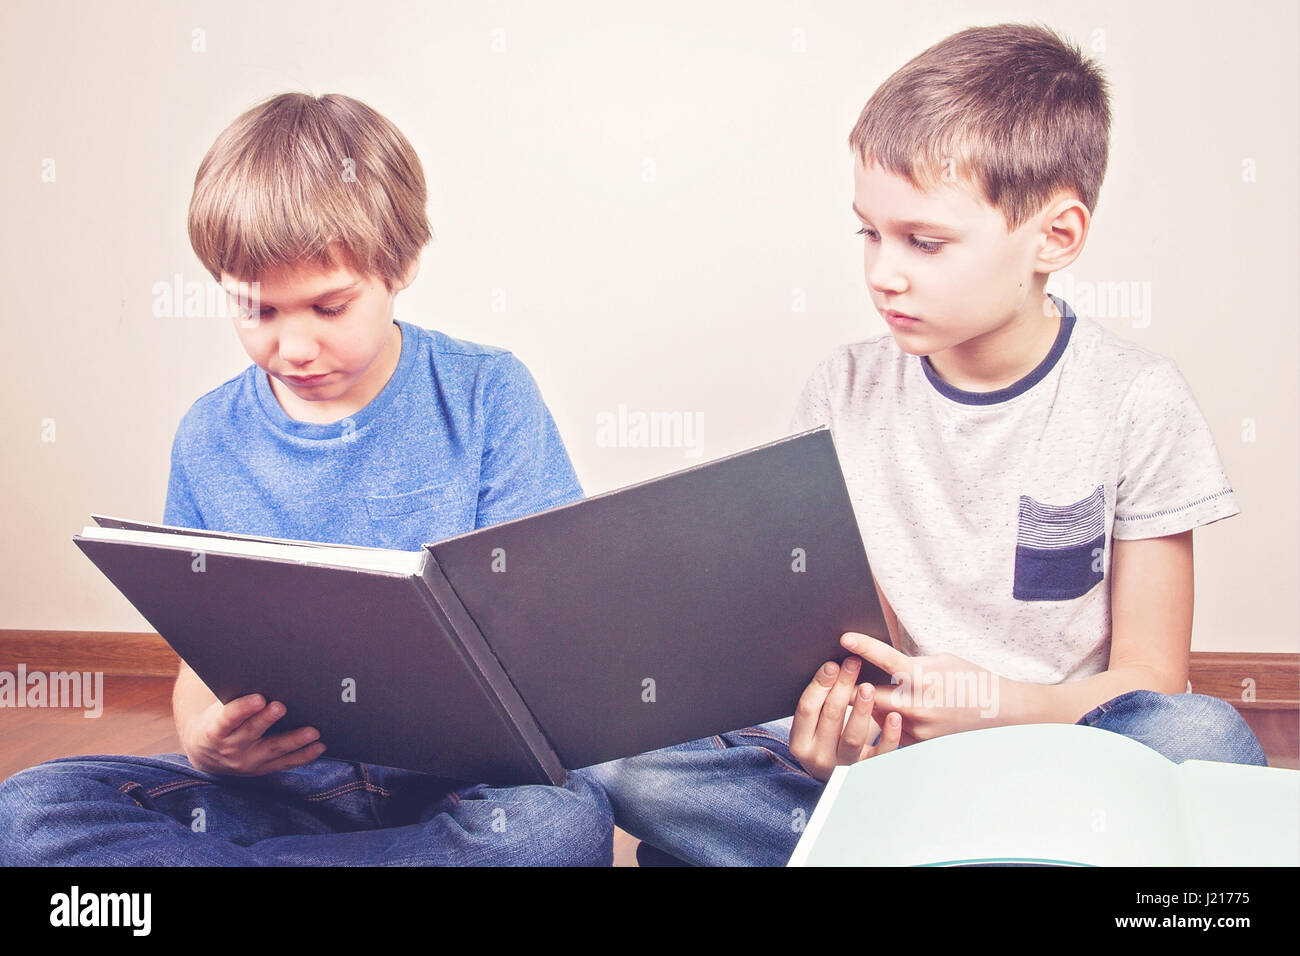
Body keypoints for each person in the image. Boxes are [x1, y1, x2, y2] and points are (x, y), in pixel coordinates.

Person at [586, 22, 1267, 867]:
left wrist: (997, 705)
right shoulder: (843, 389)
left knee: (1202, 738)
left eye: (925, 242)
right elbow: (833, 650)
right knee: (625, 761)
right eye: (870, 234)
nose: (883, 273)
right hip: (892, 760)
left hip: (1060, 748)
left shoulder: (1137, 398)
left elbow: (1152, 677)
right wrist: (836, 733)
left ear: (1055, 236)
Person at [0, 92, 612, 866]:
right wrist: (204, 743)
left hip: (464, 792)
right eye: (255, 309)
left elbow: (557, 615)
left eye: (329, 307)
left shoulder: (487, 393)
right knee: (30, 812)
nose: (293, 346)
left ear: (402, 267)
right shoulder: (208, 434)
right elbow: (199, 653)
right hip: (284, 797)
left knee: (558, 827)